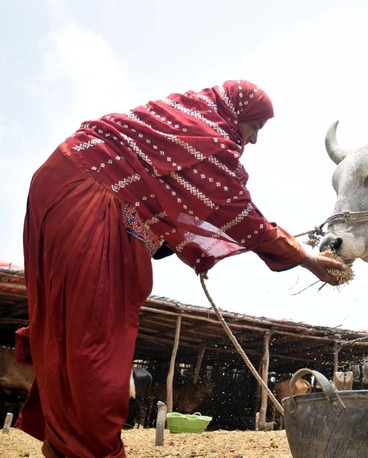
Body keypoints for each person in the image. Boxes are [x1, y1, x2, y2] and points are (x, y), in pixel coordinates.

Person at [15, 80, 347, 458]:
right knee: (97, 341)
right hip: (87, 196)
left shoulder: (177, 125)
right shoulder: (207, 140)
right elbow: (241, 216)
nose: (253, 139)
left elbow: (176, 202)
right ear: (236, 115)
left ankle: (66, 447)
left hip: (58, 185)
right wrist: (307, 258)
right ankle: (91, 449)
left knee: (66, 329)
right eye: (255, 127)